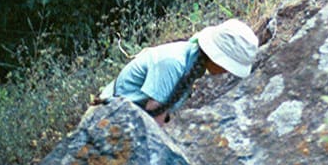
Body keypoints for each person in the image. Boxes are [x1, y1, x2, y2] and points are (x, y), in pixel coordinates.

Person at [96, 19, 258, 125]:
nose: (227, 71)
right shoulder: (174, 63)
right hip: (111, 116)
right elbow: (154, 115)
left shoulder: (192, 62)